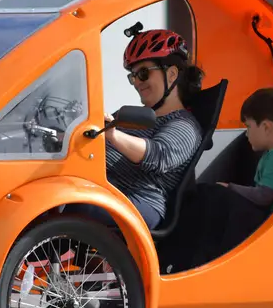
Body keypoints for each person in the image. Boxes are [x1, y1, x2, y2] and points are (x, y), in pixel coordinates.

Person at [67, 24, 206, 230]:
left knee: (63, 204)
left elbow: (159, 156)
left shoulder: (184, 124)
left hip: (140, 202)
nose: (136, 83)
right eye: (133, 76)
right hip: (104, 191)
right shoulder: (136, 116)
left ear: (172, 74)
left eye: (143, 74)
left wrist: (113, 134)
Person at [163, 88, 273, 271]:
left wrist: (230, 188)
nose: (246, 134)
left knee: (215, 196)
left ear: (266, 127)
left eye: (249, 127)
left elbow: (264, 196)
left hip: (270, 226)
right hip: (265, 221)